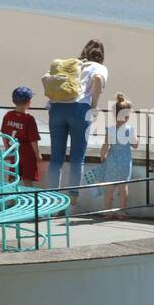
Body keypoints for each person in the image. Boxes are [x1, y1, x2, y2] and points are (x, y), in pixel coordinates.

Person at [47, 39, 106, 195]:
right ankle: (73, 197)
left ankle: (52, 198)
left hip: (57, 107)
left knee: (56, 159)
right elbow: (98, 79)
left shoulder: (73, 64)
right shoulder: (99, 67)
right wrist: (93, 105)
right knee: (77, 158)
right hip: (79, 109)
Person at [97, 93, 138, 219]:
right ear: (126, 115)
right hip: (125, 161)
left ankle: (107, 211)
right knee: (123, 188)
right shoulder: (130, 129)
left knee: (109, 188)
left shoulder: (110, 129)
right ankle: (121, 211)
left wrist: (102, 157)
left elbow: (105, 145)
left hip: (112, 160)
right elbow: (135, 145)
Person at [0, 86, 42, 185]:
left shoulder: (8, 115)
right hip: (27, 153)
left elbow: (4, 134)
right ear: (28, 102)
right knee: (27, 179)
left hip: (14, 152)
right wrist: (37, 154)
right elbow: (33, 139)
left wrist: (7, 149)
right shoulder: (29, 119)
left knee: (13, 178)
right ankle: (29, 199)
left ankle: (12, 200)